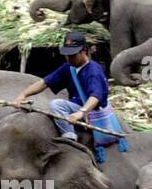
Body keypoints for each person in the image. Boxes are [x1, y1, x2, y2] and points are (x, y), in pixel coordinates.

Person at [12, 30, 128, 163]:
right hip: (77, 107)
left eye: (73, 55)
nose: (69, 58)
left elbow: (95, 96)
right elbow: (45, 82)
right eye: (67, 55)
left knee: (56, 105)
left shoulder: (93, 70)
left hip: (92, 111)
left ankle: (70, 137)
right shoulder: (69, 68)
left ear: (84, 51)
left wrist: (81, 112)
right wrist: (23, 95)